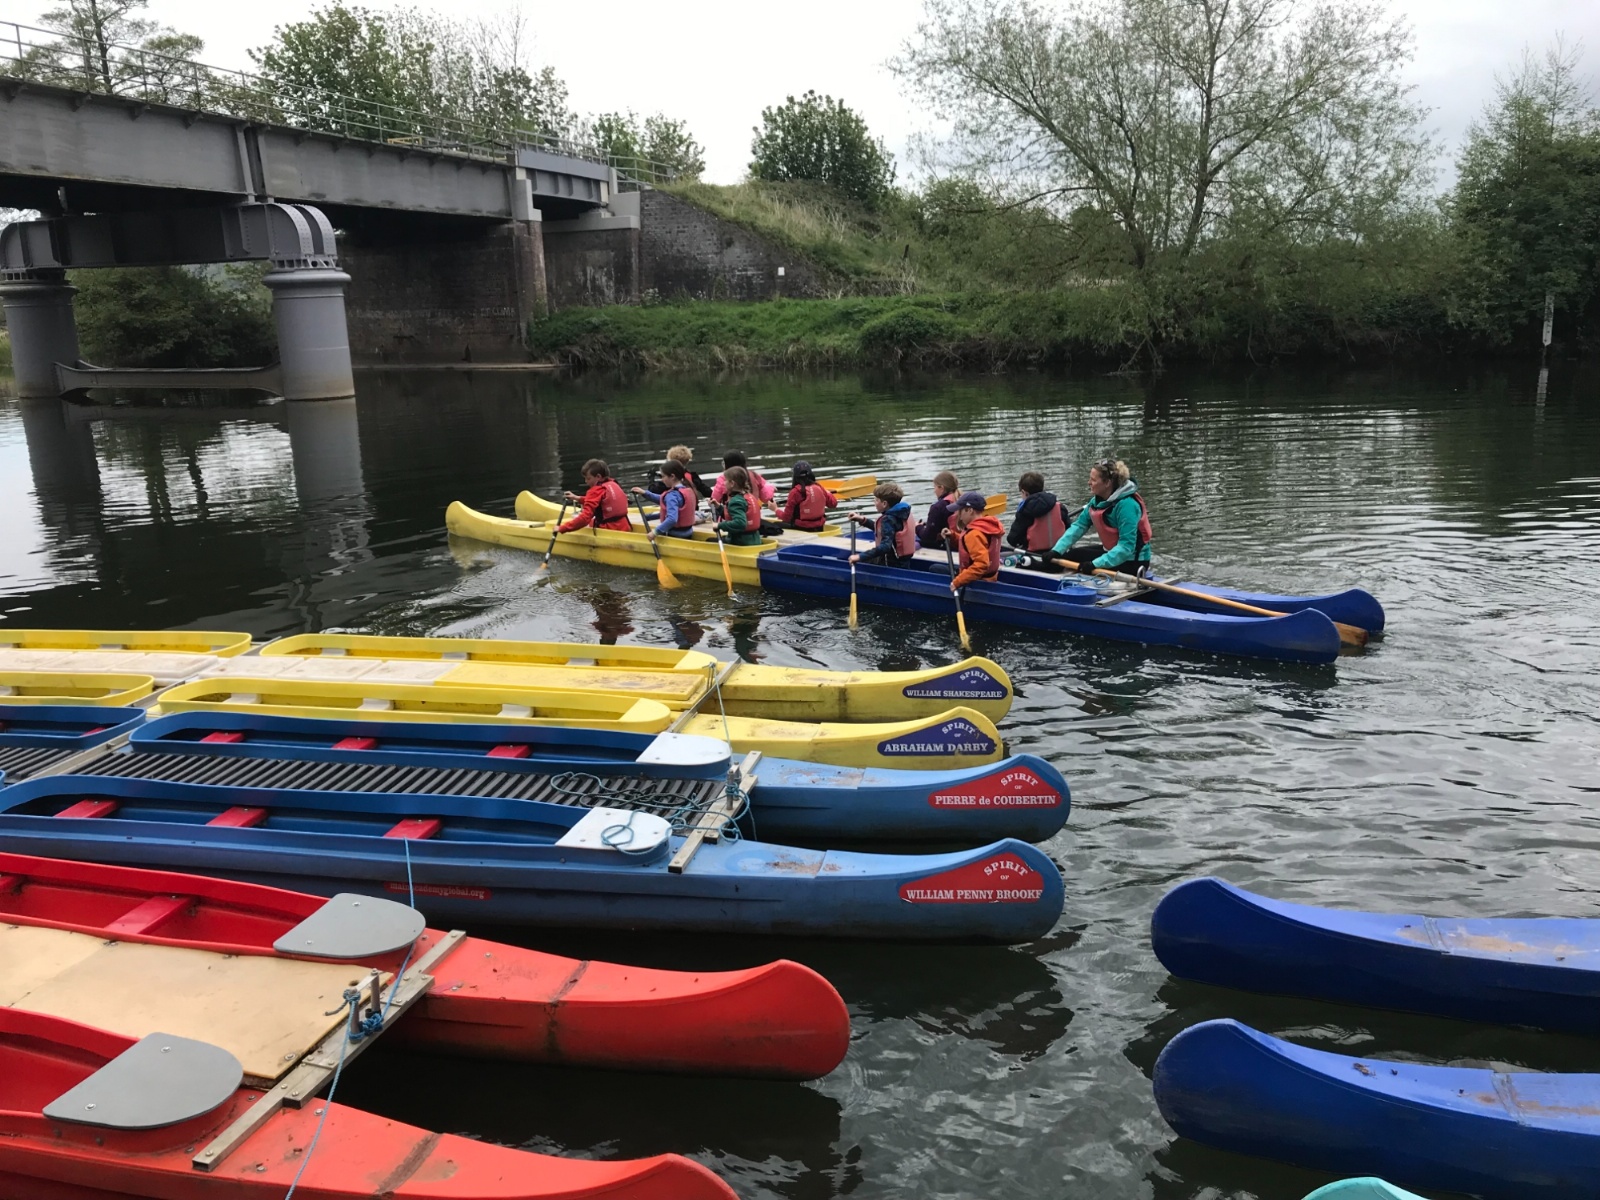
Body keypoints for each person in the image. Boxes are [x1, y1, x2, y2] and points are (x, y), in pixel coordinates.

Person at [1046, 457, 1154, 576]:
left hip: (1133, 561)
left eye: (1093, 480)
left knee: (1074, 558)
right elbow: (1079, 526)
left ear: (1107, 483)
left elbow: (1126, 548)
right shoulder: (1097, 501)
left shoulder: (1127, 505)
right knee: (1071, 555)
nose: (1089, 483)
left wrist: (1095, 564)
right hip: (1113, 552)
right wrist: (1056, 550)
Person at [945, 491, 1005, 591]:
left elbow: (981, 564)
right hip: (991, 578)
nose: (958, 515)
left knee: (935, 569)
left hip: (978, 582)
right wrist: (953, 536)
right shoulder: (987, 526)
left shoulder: (973, 534)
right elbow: (969, 545)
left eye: (960, 511)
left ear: (970, 510)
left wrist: (957, 582)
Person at [848, 482, 918, 567]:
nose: (874, 502)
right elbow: (885, 530)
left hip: (890, 564)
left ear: (884, 504)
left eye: (876, 500)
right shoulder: (901, 513)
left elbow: (885, 546)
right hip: (903, 563)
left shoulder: (888, 519)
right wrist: (863, 520)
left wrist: (859, 556)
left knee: (857, 563)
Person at [558, 458, 632, 533]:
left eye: (588, 478)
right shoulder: (613, 483)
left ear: (598, 477)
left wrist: (562, 528)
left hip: (607, 531)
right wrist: (577, 498)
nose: (586, 481)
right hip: (624, 527)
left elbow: (585, 518)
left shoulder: (595, 491)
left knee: (582, 521)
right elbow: (602, 502)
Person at [631, 460, 698, 539]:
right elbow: (665, 500)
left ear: (672, 477)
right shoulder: (687, 489)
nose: (662, 480)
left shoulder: (672, 495)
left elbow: (672, 519)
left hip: (675, 536)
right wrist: (644, 493)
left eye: (663, 476)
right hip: (688, 533)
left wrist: (655, 532)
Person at [1007, 472, 1068, 552]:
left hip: (1033, 555)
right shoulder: (1060, 507)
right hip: (1058, 551)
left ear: (1024, 492)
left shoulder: (1024, 513)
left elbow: (1012, 539)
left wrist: (1025, 542)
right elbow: (1070, 529)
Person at [779, 460, 838, 532]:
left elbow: (786, 518)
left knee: (776, 525)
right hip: (819, 528)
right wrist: (827, 493)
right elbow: (833, 504)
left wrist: (775, 509)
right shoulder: (819, 487)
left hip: (801, 529)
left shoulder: (795, 492)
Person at [713, 465, 764, 546]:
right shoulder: (749, 496)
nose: (724, 482)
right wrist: (718, 507)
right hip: (754, 539)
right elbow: (733, 515)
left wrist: (719, 525)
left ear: (732, 483)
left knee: (709, 540)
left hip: (740, 542)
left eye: (726, 480)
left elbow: (740, 523)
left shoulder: (736, 501)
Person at [711, 450, 776, 510]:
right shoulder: (754, 475)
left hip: (733, 516)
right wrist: (771, 487)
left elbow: (715, 499)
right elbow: (766, 498)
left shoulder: (723, 479)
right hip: (754, 516)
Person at [918, 471, 961, 549]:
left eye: (935, 487)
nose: (934, 491)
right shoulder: (961, 499)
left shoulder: (938, 507)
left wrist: (917, 527)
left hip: (947, 545)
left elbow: (927, 537)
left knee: (915, 540)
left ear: (941, 488)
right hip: (960, 540)